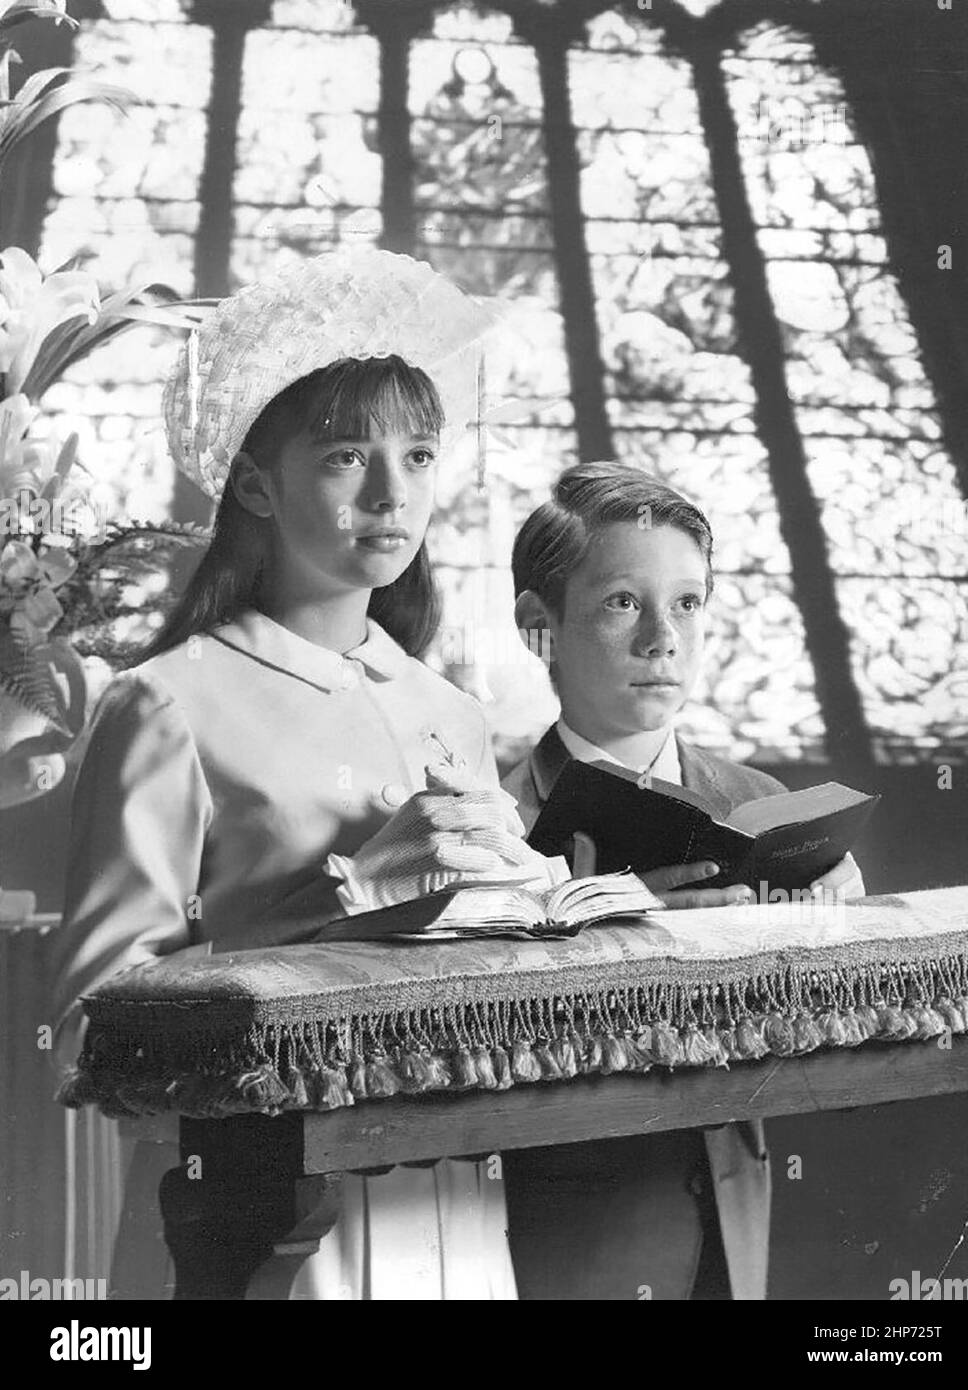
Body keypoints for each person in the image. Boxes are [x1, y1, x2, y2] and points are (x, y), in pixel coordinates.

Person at [52, 248, 561, 1300]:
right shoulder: (169, 704)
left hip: (456, 1204)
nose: (390, 491)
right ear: (252, 481)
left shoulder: (449, 713)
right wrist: (348, 899)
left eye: (417, 455)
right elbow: (92, 1025)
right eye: (342, 456)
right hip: (264, 1214)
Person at [501, 460, 865, 1300]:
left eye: (688, 602)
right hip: (573, 1228)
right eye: (623, 601)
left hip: (731, 1214)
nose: (662, 637)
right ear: (538, 627)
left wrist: (842, 924)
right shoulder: (494, 827)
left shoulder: (764, 806)